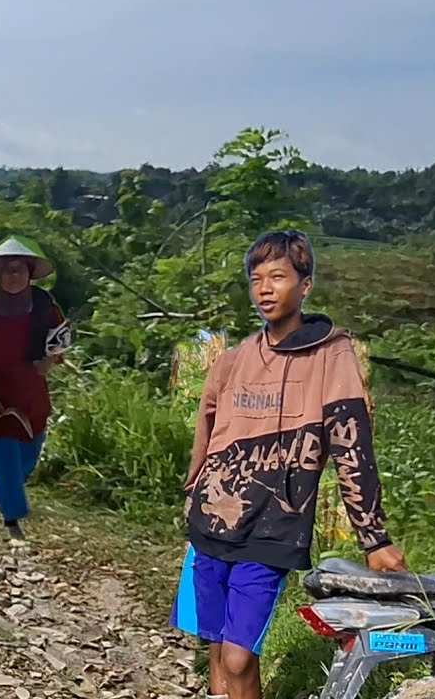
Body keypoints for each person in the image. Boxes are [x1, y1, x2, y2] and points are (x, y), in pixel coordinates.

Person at [171, 229, 407, 699]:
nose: (264, 289)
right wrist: (192, 493)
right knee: (215, 644)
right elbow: (207, 437)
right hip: (213, 520)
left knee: (239, 656)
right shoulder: (234, 360)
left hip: (274, 527)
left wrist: (374, 538)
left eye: (278, 277)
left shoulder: (331, 356)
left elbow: (351, 446)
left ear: (305, 284)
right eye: (256, 279)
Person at [0, 237, 68, 541]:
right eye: (7, 270)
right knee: (6, 459)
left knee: (28, 454)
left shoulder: (44, 307)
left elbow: (60, 340)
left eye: (20, 270)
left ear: (30, 274)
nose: (14, 276)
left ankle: (5, 483)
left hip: (32, 397)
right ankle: (12, 520)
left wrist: (50, 360)